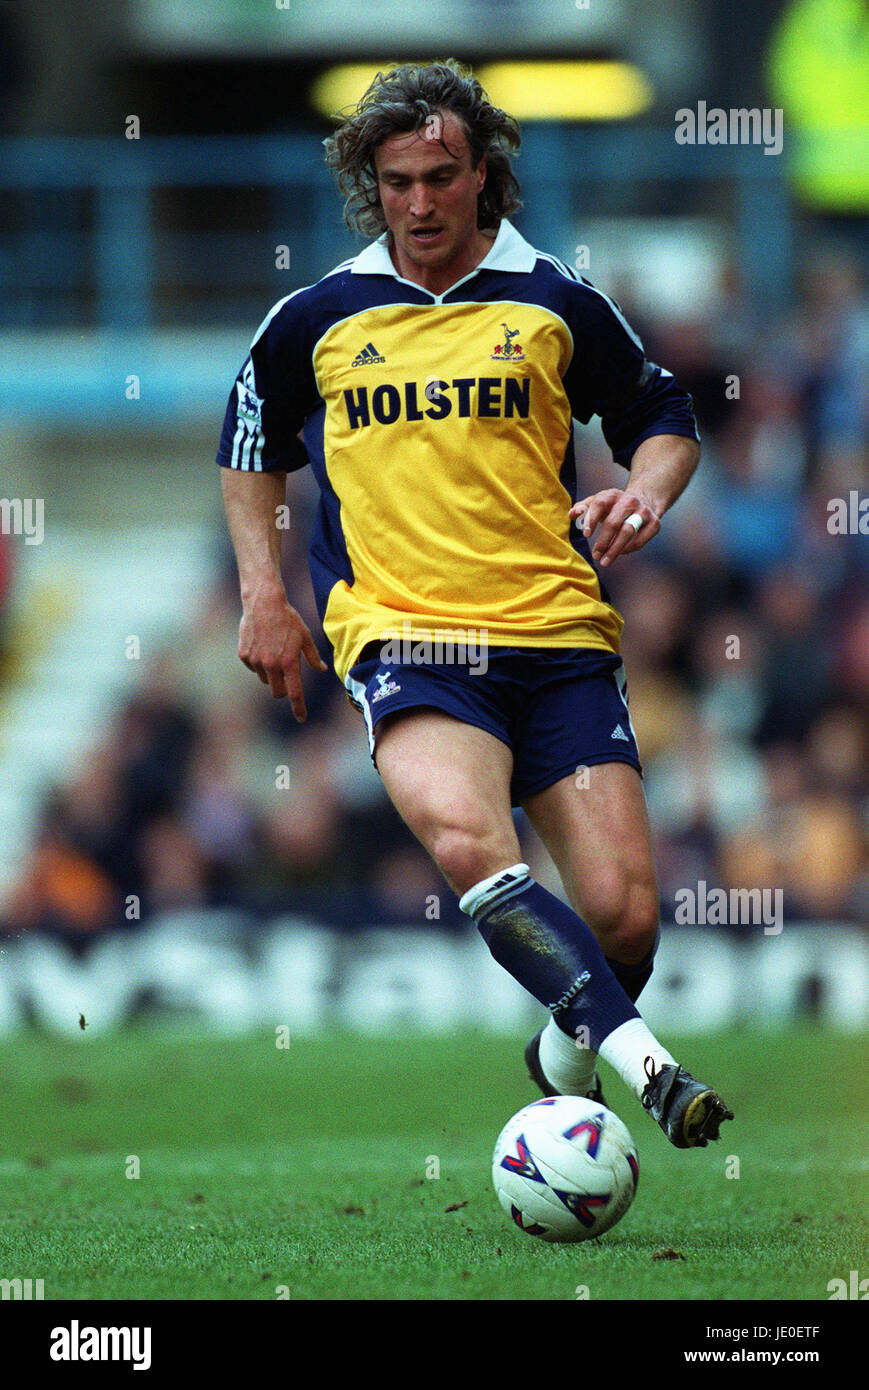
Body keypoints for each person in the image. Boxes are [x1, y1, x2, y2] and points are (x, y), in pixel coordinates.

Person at [217, 60, 733, 1149]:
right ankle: (654, 1073)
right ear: (370, 181)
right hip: (403, 632)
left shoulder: (553, 299)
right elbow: (248, 440)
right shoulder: (317, 314)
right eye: (396, 180)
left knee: (625, 916)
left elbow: (661, 411)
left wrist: (643, 491)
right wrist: (264, 594)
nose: (417, 204)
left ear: (484, 174)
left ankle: (562, 1052)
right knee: (465, 840)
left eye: (440, 177)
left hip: (553, 631)